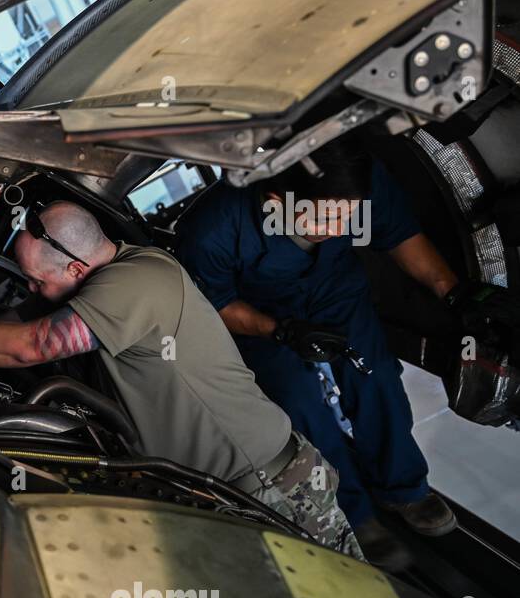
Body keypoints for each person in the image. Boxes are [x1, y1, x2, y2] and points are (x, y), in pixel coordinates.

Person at [0, 200, 362, 558]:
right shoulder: (94, 281)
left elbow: (35, 344)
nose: (29, 290)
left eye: (34, 281)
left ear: (74, 269)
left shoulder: (137, 282)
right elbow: (8, 325)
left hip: (271, 489)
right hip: (223, 493)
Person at [175, 140, 478, 567]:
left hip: (336, 293)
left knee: (377, 379)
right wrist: (279, 331)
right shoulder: (214, 226)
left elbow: (402, 236)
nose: (339, 228)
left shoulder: (358, 179)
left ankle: (405, 489)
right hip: (260, 315)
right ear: (276, 200)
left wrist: (458, 297)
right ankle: (351, 515)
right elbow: (217, 305)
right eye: (326, 218)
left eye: (348, 217)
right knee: (300, 405)